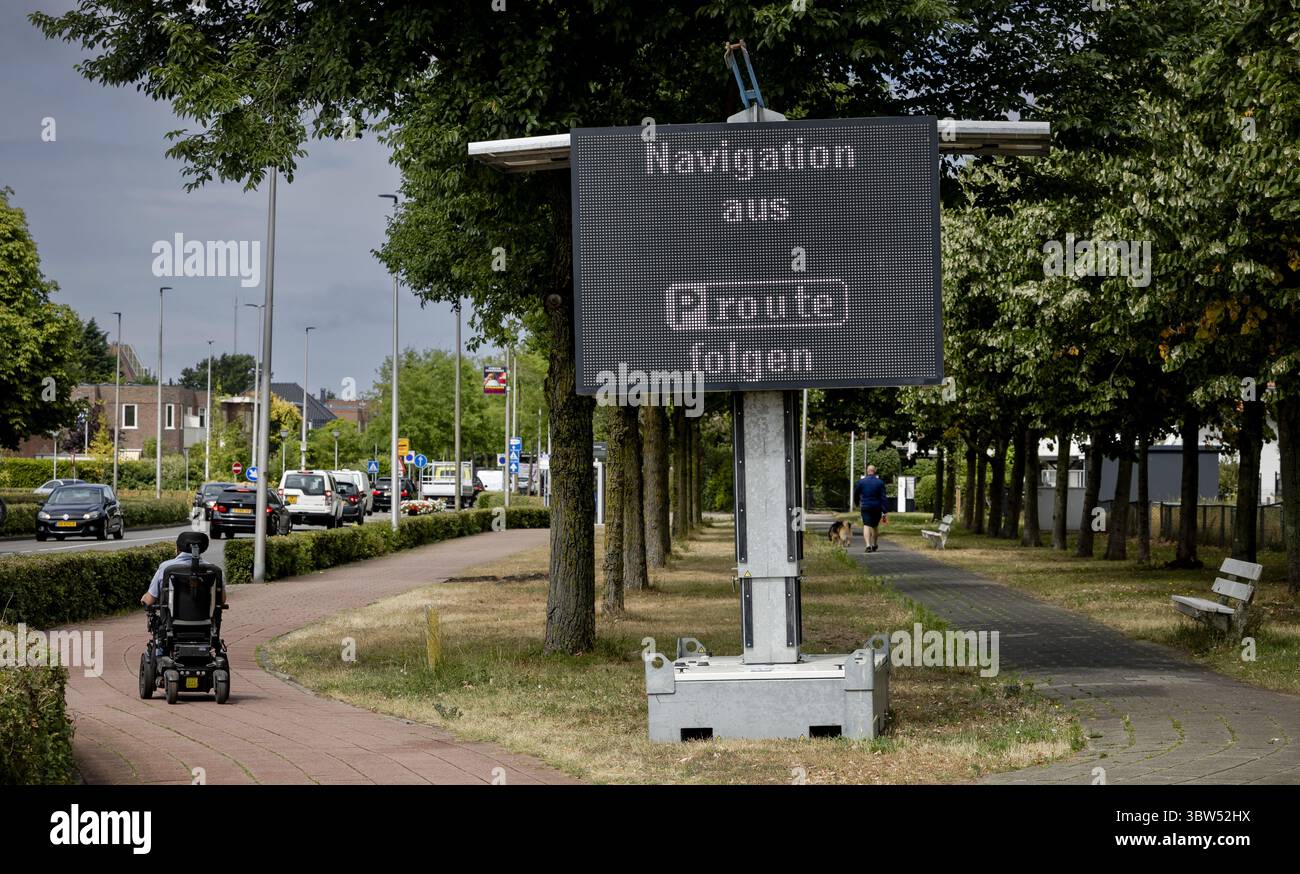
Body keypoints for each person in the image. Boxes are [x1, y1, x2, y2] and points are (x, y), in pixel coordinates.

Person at [140, 532, 226, 607]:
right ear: (203, 548)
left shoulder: (165, 567)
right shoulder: (215, 570)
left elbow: (149, 600)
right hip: (206, 622)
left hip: (172, 623)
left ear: (178, 549)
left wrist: (144, 599)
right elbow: (222, 600)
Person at [852, 464, 888, 552]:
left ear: (867, 471)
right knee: (875, 526)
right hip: (877, 507)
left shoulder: (861, 482)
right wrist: (885, 509)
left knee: (866, 525)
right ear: (874, 471)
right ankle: (874, 544)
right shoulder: (880, 482)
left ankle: (868, 545)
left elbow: (856, 493)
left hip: (865, 506)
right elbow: (883, 497)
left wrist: (856, 503)